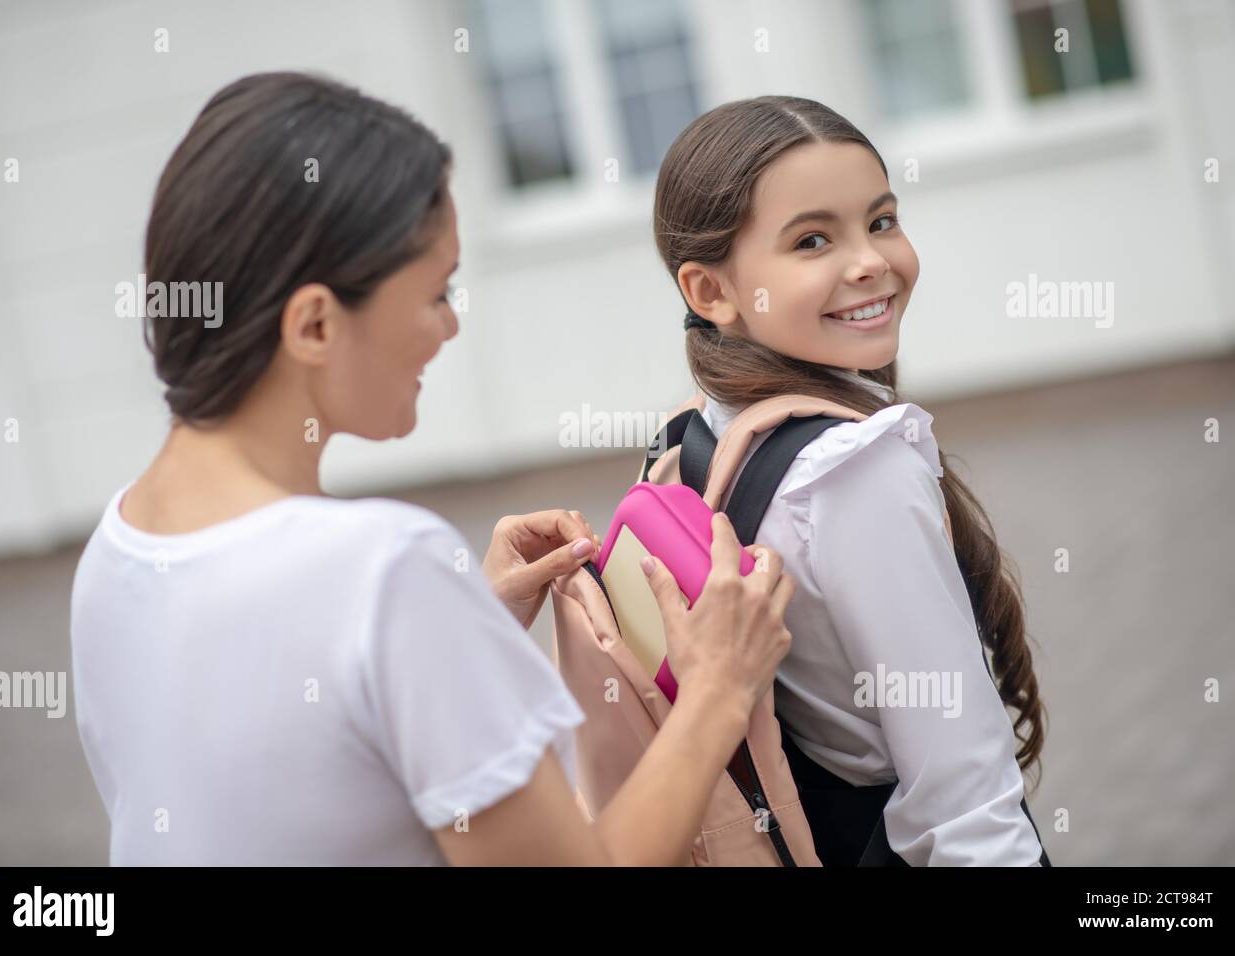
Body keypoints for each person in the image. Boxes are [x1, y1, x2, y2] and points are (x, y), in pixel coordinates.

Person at [69, 72, 795, 866]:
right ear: (314, 322)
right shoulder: (383, 570)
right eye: (435, 292)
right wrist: (720, 691)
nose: (450, 326)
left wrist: (463, 631)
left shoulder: (117, 548)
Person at [651, 96, 1050, 865]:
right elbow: (964, 805)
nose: (869, 261)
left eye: (881, 221)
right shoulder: (852, 471)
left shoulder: (698, 438)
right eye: (811, 240)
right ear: (710, 292)